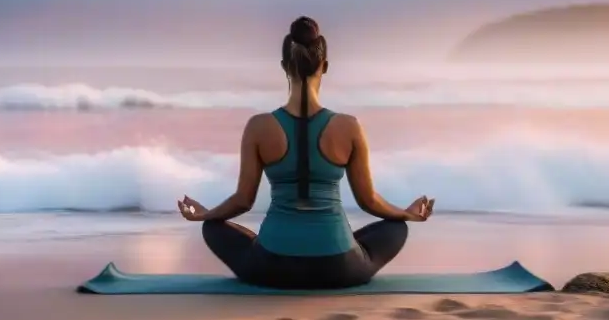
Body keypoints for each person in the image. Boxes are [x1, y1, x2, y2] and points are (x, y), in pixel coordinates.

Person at [177, 16, 435, 289]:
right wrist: (407, 214)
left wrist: (205, 215)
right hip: (340, 269)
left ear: (284, 67)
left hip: (272, 268)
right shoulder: (349, 127)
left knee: (213, 228)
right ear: (324, 67)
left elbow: (243, 201)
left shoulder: (259, 126)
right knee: (395, 227)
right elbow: (369, 201)